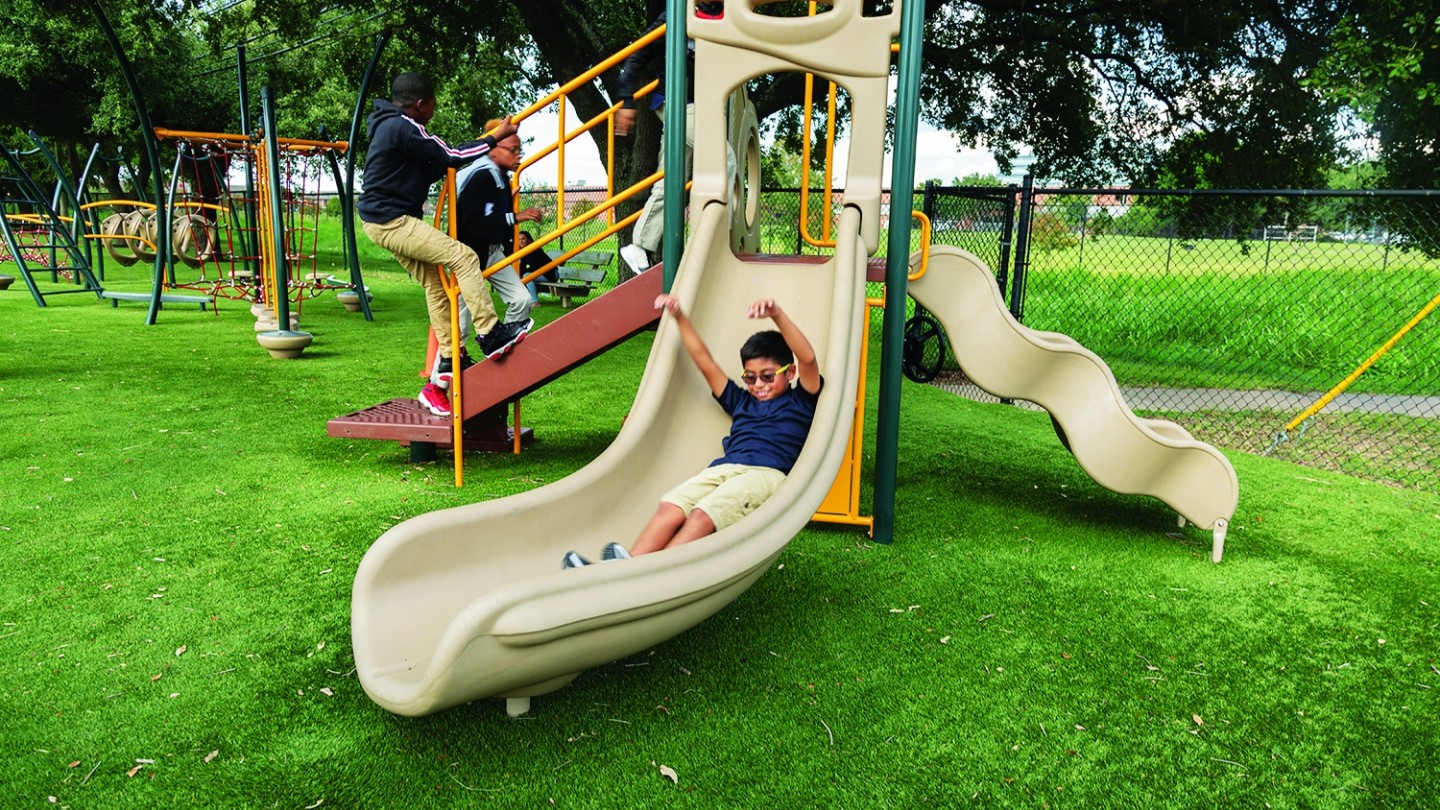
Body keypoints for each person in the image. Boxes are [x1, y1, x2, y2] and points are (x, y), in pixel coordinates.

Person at [562, 294, 821, 568]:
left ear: (789, 372)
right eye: (750, 377)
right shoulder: (741, 400)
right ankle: (624, 569)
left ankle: (651, 574)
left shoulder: (801, 400)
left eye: (768, 376)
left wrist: (777, 314)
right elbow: (705, 362)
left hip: (765, 474)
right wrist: (679, 316)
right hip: (722, 469)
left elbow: (808, 358)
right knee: (670, 507)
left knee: (702, 514)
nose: (759, 384)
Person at [356, 72, 528, 418]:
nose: (432, 113)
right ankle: (490, 333)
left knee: (435, 285)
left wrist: (475, 148)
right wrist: (493, 138)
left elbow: (435, 164)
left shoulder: (392, 128)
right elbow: (448, 154)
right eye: (432, 106)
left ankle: (449, 358)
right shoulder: (404, 126)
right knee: (463, 256)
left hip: (381, 220)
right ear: (420, 104)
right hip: (392, 220)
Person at [613, 1, 729, 277]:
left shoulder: (730, 15)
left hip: (704, 105)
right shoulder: (677, 13)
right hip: (678, 102)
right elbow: (637, 53)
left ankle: (639, 245)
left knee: (670, 180)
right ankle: (710, 241)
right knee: (725, 162)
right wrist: (627, 100)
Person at [455, 118, 544, 340]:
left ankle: (502, 344)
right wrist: (514, 217)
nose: (518, 156)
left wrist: (505, 209)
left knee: (521, 300)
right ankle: (443, 370)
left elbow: (492, 218)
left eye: (520, 150)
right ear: (493, 150)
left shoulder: (501, 177)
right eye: (513, 150)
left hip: (491, 251)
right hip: (466, 254)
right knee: (460, 323)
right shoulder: (482, 175)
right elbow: (471, 223)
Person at [515, 230, 558, 303]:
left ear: (528, 240)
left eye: (523, 239)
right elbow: (522, 266)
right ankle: (525, 300)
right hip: (540, 274)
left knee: (527, 276)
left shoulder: (535, 250)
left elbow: (535, 266)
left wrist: (522, 274)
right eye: (519, 240)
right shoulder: (523, 252)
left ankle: (535, 302)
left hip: (551, 274)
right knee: (522, 276)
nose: (521, 241)